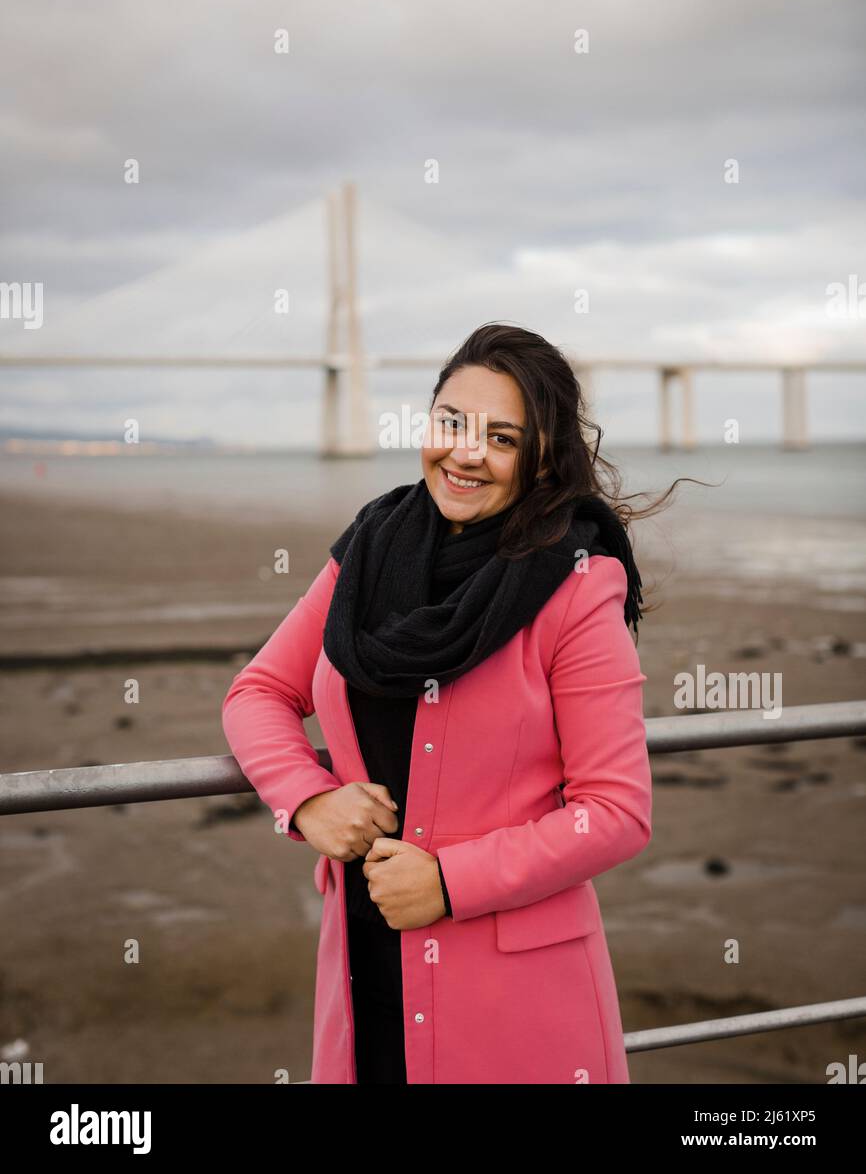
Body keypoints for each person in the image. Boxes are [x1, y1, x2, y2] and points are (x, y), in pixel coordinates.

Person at [222, 321, 682, 1084]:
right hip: (363, 961)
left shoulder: (575, 583)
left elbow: (616, 812)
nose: (466, 452)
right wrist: (308, 800)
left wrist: (447, 881)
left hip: (515, 1000)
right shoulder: (369, 551)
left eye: (502, 439)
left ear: (540, 460)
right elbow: (259, 692)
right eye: (452, 423)